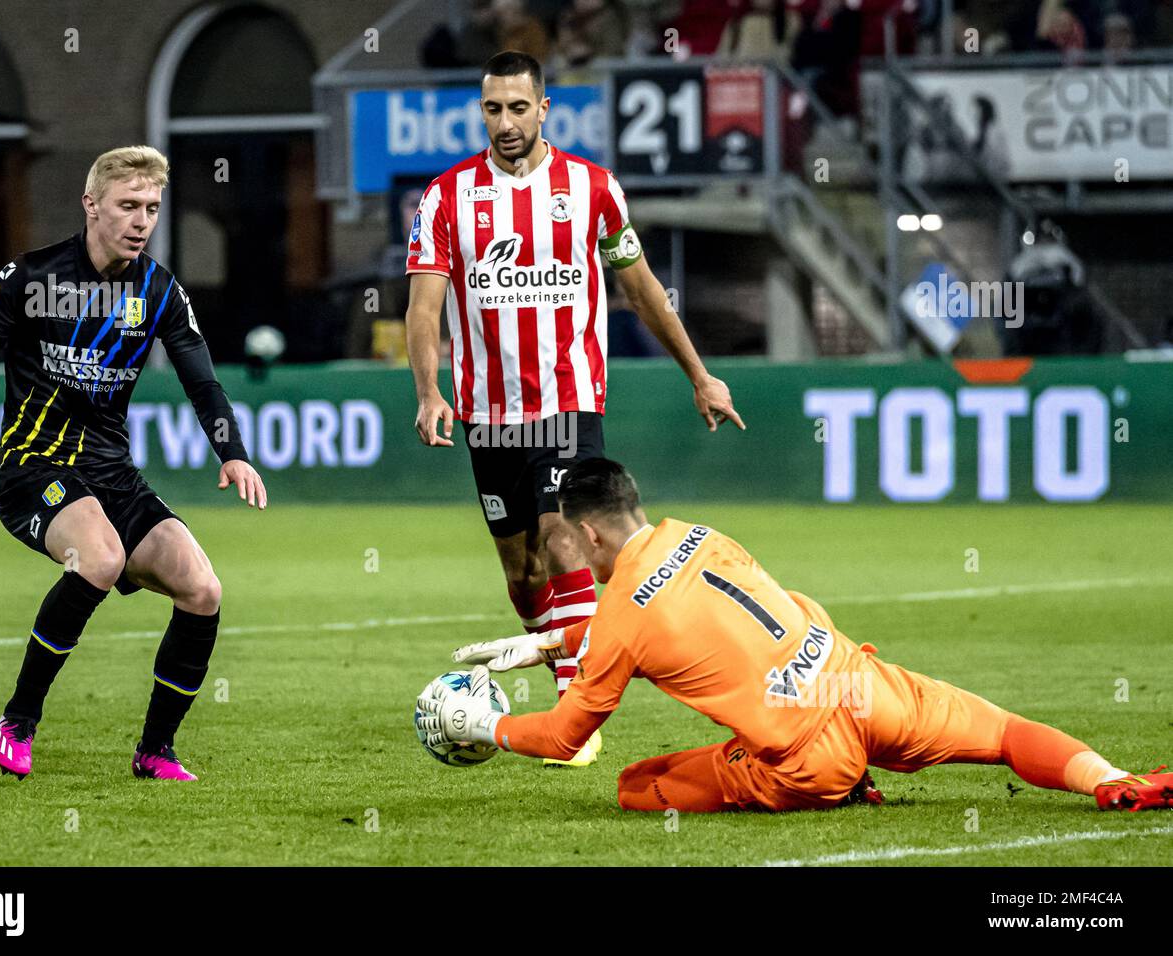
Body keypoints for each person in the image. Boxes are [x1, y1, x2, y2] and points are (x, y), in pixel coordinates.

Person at [419, 458, 1173, 814]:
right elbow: (692, 625)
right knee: (1006, 733)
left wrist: (486, 723)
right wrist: (551, 644)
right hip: (857, 684)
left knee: (635, 788)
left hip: (803, 756)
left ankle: (842, 789)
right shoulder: (700, 536)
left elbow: (561, 736)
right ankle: (1113, 781)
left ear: (584, 533)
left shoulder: (620, 615)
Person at [404, 51, 743, 766]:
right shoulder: (446, 197)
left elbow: (643, 288)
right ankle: (547, 641)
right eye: (493, 109)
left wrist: (700, 374)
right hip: (488, 414)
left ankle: (573, 713)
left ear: (544, 108)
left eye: (518, 108)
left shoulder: (592, 189)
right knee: (523, 571)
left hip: (570, 398)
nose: (505, 122)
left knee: (565, 536)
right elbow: (424, 305)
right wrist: (429, 391)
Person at [0, 146, 267, 782]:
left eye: (151, 208)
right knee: (100, 558)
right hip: (31, 467)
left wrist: (231, 453)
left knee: (203, 590)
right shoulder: (32, 279)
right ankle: (18, 720)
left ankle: (155, 751)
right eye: (128, 206)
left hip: (110, 473)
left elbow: (202, 382)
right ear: (91, 205)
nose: (141, 221)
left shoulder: (159, 292)